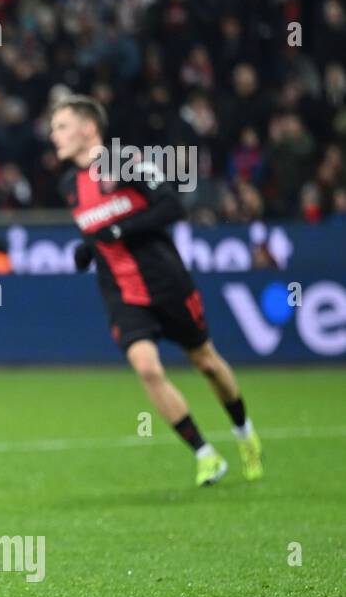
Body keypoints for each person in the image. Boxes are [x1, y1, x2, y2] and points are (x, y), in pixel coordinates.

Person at [49, 94, 263, 486]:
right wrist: (88, 248)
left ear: (89, 129)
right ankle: (205, 455)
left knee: (207, 362)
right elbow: (97, 227)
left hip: (165, 280)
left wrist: (120, 230)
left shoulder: (124, 160)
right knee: (147, 368)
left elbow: (170, 207)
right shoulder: (68, 184)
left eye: (61, 126)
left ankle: (244, 432)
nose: (54, 135)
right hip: (120, 291)